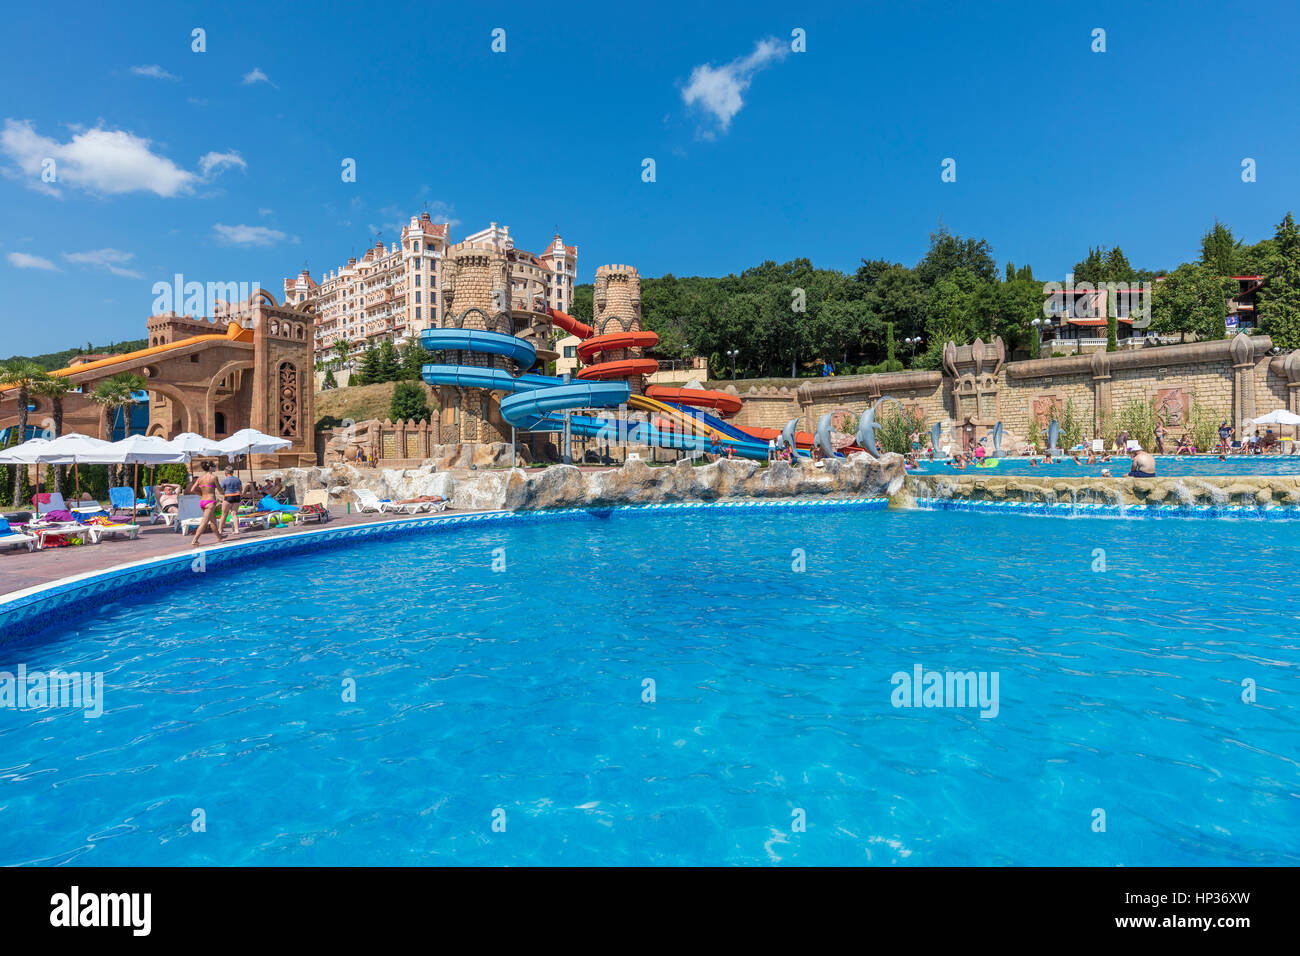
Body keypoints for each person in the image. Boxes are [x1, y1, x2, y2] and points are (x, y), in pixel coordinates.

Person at [187, 462, 225, 545]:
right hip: (210, 502)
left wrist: (201, 494)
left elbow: (192, 489)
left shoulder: (200, 478)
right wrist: (224, 493)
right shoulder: (214, 477)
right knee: (204, 522)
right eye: (214, 466)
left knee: (213, 521)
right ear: (210, 468)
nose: (215, 468)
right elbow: (220, 490)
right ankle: (195, 540)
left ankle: (219, 537)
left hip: (203, 501)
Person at [218, 466, 244, 536]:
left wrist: (224, 494)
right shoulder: (238, 480)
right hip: (237, 497)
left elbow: (220, 490)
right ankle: (236, 530)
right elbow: (241, 489)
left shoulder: (224, 480)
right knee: (234, 514)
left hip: (228, 497)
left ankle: (220, 530)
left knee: (224, 514)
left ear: (225, 472)